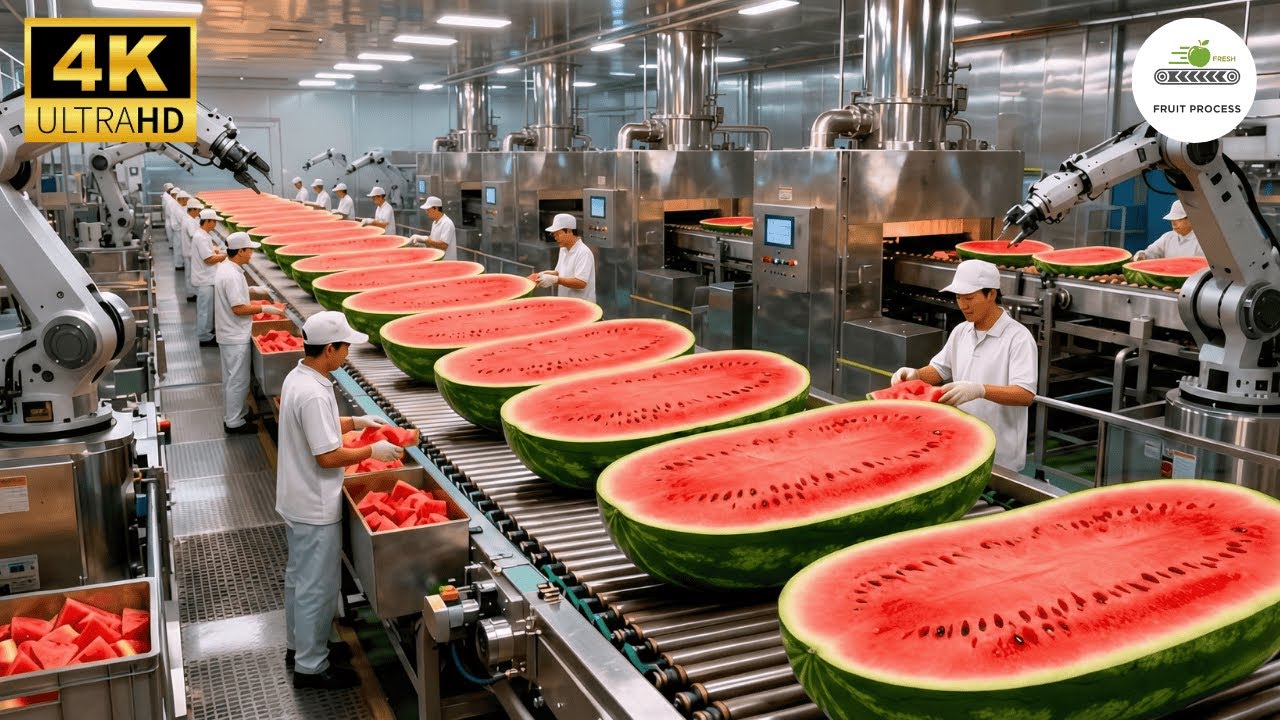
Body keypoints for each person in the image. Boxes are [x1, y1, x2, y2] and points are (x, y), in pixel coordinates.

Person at [276, 311, 405, 690]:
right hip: (315, 502)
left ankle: (298, 646)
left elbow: (315, 427)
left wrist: (356, 423)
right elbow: (328, 456)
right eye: (345, 347)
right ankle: (311, 668)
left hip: (296, 497)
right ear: (329, 348)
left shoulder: (301, 376)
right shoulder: (315, 392)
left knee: (299, 579)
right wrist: (371, 450)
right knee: (317, 585)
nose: (347, 353)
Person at [891, 259, 1037, 471]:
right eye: (959, 297)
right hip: (962, 446)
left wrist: (980, 390)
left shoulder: (1018, 338)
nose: (963, 305)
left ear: (991, 294)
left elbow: (1025, 394)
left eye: (969, 298)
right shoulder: (961, 331)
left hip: (1000, 455)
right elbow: (939, 370)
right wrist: (915, 375)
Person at [215, 231, 282, 434]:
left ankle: (239, 411)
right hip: (234, 334)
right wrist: (264, 309)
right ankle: (234, 422)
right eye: (249, 249)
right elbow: (238, 308)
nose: (252, 253)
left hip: (228, 332)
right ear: (241, 251)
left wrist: (254, 291)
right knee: (238, 380)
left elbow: (236, 296)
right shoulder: (231, 275)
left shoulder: (227, 268)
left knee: (232, 377)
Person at [530, 213, 595, 302]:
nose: (555, 238)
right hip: (565, 302)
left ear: (569, 231)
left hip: (581, 303)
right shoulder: (563, 249)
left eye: (558, 234)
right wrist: (544, 275)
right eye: (554, 234)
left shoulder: (583, 252)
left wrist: (556, 280)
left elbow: (581, 283)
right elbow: (559, 273)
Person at [191, 208, 227, 347]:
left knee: (207, 309)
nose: (215, 224)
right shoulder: (200, 237)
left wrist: (217, 251)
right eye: (214, 222)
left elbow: (209, 253)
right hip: (204, 279)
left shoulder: (203, 235)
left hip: (207, 278)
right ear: (208, 221)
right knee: (205, 310)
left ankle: (207, 332)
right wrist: (226, 256)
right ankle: (204, 337)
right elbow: (208, 259)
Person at [1134, 200, 1203, 260]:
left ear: (1190, 219)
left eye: (1178, 219)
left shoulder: (1202, 241)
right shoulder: (1167, 237)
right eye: (1172, 219)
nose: (1174, 223)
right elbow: (1151, 252)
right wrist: (1141, 255)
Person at [409, 196, 456, 261]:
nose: (426, 212)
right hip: (437, 260)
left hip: (446, 262)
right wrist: (420, 244)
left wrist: (425, 240)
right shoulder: (434, 222)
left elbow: (444, 245)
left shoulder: (446, 223)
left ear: (436, 209)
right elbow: (432, 240)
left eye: (428, 210)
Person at [180, 195, 202, 302]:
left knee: (190, 274)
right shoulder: (189, 221)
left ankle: (192, 293)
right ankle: (192, 294)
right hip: (190, 252)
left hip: (188, 251)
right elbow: (194, 236)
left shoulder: (189, 219)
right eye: (198, 210)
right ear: (192, 209)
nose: (199, 212)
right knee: (191, 274)